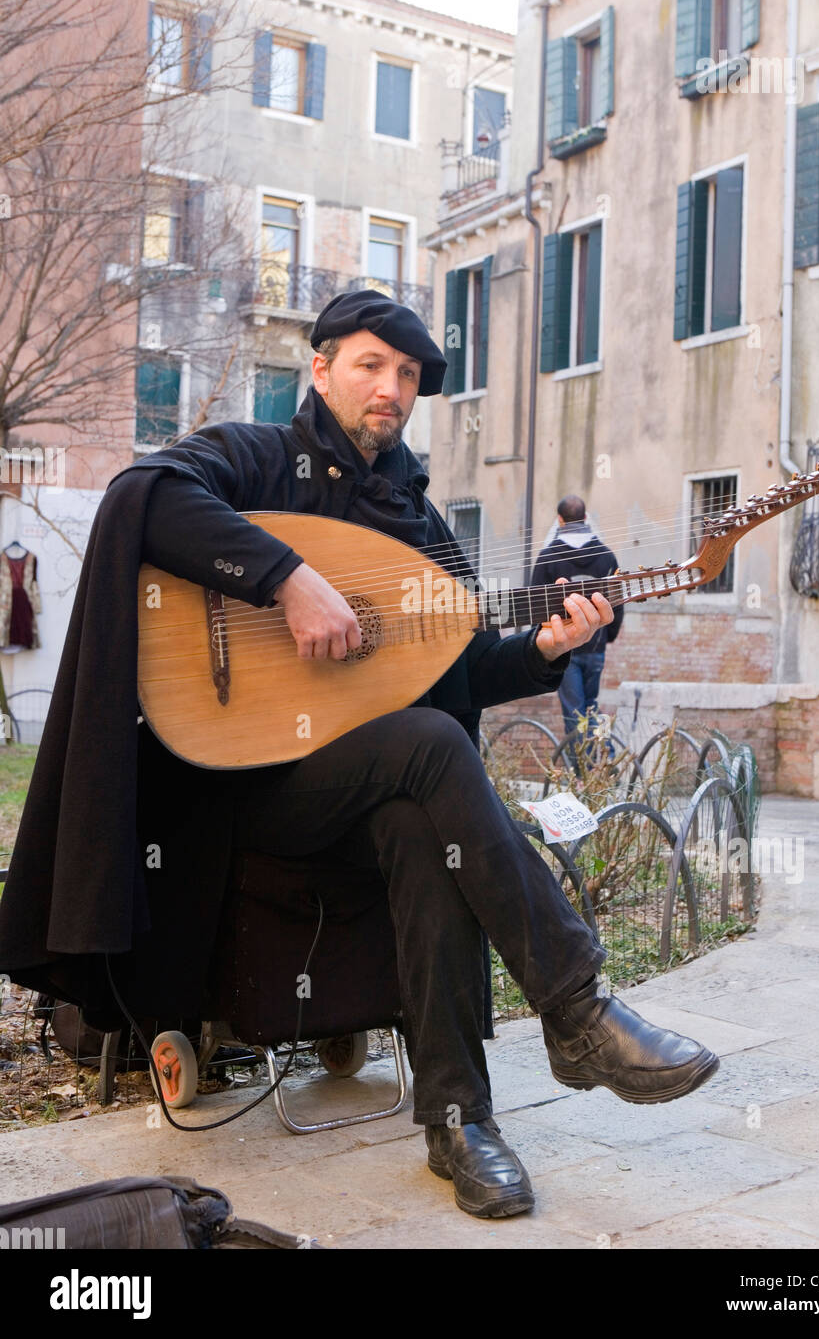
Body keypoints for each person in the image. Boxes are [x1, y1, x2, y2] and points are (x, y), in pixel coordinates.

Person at [0, 292, 718, 1221]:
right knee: (425, 752)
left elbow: (461, 664)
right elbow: (146, 495)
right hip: (234, 787)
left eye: (409, 374)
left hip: (360, 786)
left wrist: (545, 648)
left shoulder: (414, 521)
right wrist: (287, 579)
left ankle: (461, 1123)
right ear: (323, 369)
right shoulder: (256, 456)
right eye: (372, 365)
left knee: (422, 820)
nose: (391, 389)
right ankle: (576, 1008)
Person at [532, 497, 623, 764]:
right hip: (596, 644)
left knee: (574, 711)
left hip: (564, 647)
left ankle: (584, 774)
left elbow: (534, 605)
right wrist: (608, 634)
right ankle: (606, 763)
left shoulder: (548, 557)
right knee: (591, 708)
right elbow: (618, 602)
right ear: (585, 519)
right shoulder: (607, 555)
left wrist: (538, 647)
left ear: (559, 520)